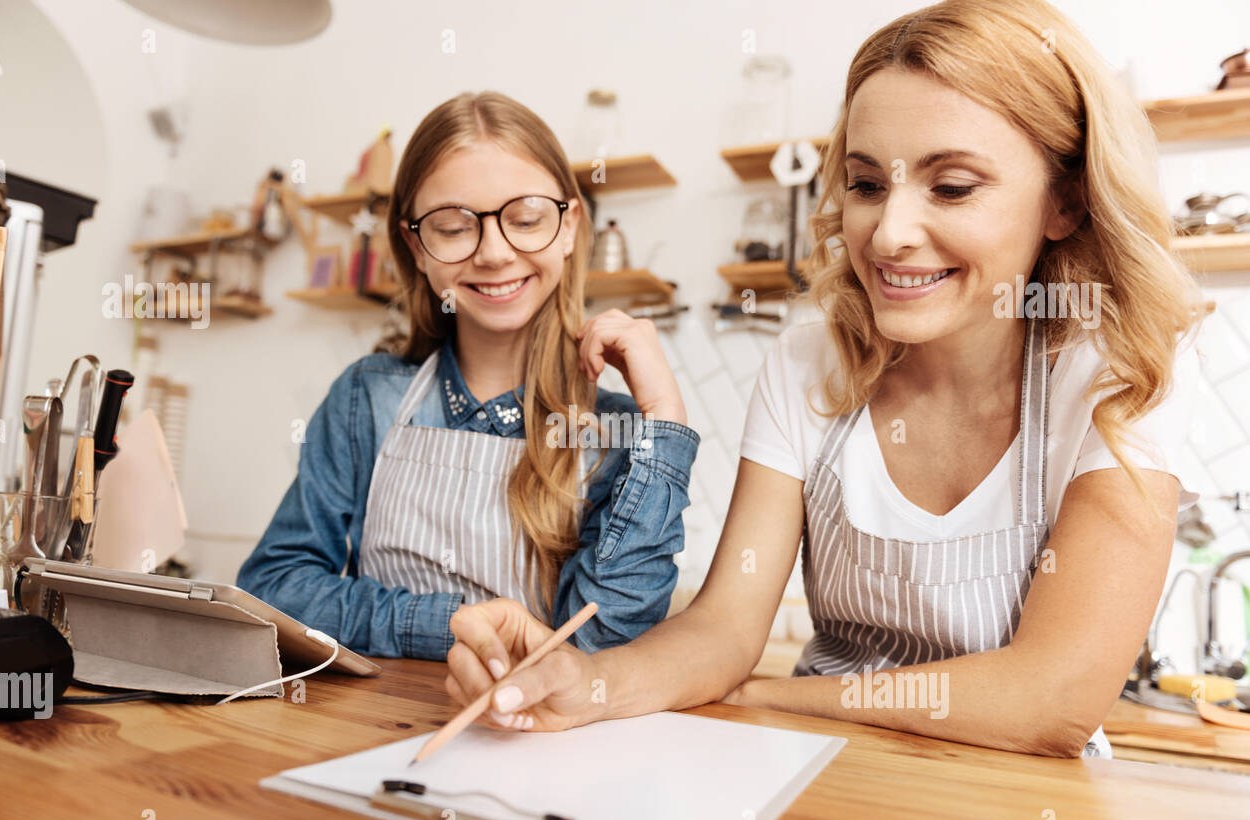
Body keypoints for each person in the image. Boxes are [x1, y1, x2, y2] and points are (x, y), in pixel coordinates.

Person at [440, 0, 1205, 755]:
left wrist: (775, 693)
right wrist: (590, 683)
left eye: (953, 187)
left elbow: (1053, 699)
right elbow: (725, 629)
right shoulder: (807, 365)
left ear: (1065, 202)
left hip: (1015, 802)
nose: (891, 233)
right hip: (815, 769)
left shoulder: (1122, 381)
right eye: (868, 185)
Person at [238, 91, 699, 659]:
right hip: (374, 731)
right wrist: (453, 624)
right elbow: (273, 587)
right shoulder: (367, 398)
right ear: (417, 246)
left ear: (570, 225)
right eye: (454, 229)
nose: (495, 252)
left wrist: (667, 424)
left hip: (539, 742)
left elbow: (600, 646)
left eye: (526, 219)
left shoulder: (618, 433)